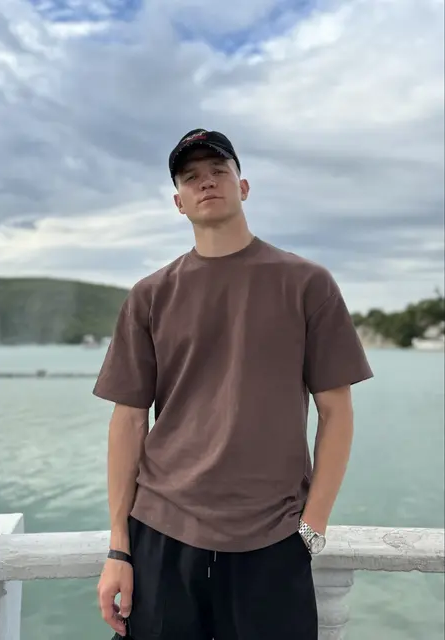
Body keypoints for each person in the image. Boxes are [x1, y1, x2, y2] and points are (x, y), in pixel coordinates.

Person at [94, 128, 374, 640]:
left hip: (272, 538)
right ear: (179, 202)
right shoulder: (149, 296)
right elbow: (128, 421)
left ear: (242, 187)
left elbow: (337, 411)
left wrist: (312, 525)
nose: (206, 182)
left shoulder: (307, 284)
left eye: (218, 171)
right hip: (162, 531)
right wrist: (119, 546)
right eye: (191, 177)